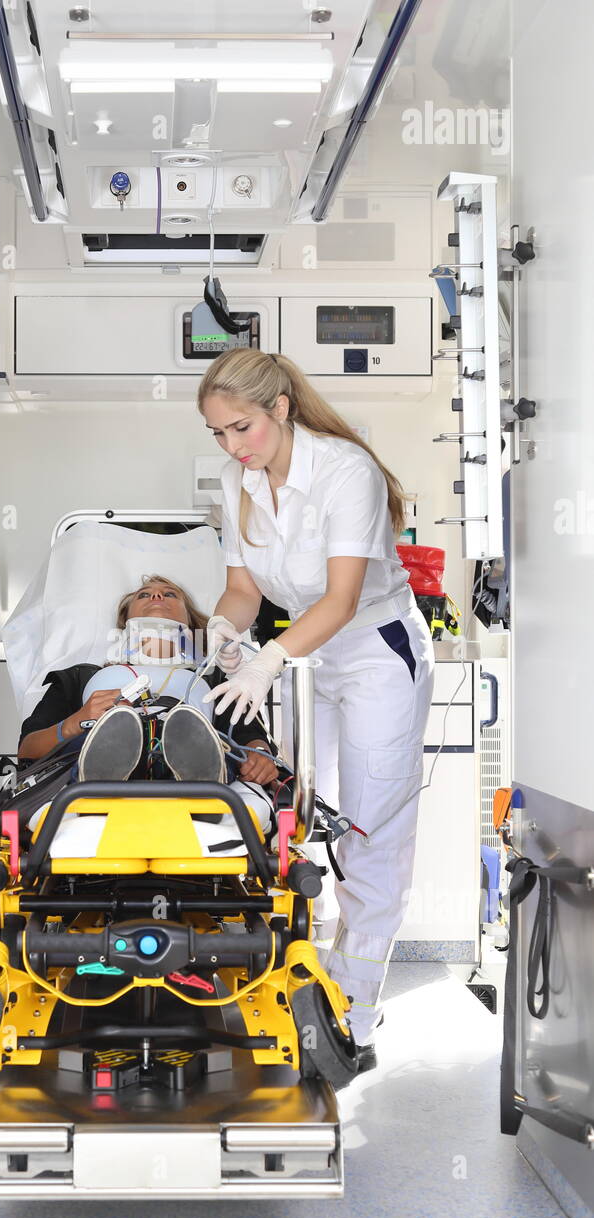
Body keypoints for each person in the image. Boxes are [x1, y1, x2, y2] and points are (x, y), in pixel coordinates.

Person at [199, 348, 435, 1072]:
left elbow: (338, 600)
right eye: (219, 434)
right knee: (298, 819)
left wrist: (269, 658)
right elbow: (244, 589)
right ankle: (303, 987)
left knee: (368, 834)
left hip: (371, 655)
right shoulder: (241, 481)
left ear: (280, 408)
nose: (235, 447)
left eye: (243, 428)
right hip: (310, 657)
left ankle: (355, 1017)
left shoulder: (345, 473)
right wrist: (224, 631)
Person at [18, 576, 278, 820]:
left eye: (169, 594)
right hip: (94, 751)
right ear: (125, 621)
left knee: (194, 736)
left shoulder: (215, 680)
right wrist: (76, 721)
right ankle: (106, 765)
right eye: (144, 594)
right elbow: (27, 749)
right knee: (111, 735)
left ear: (189, 620)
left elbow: (251, 741)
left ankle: (196, 775)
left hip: (195, 754)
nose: (156, 595)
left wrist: (260, 757)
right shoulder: (78, 679)